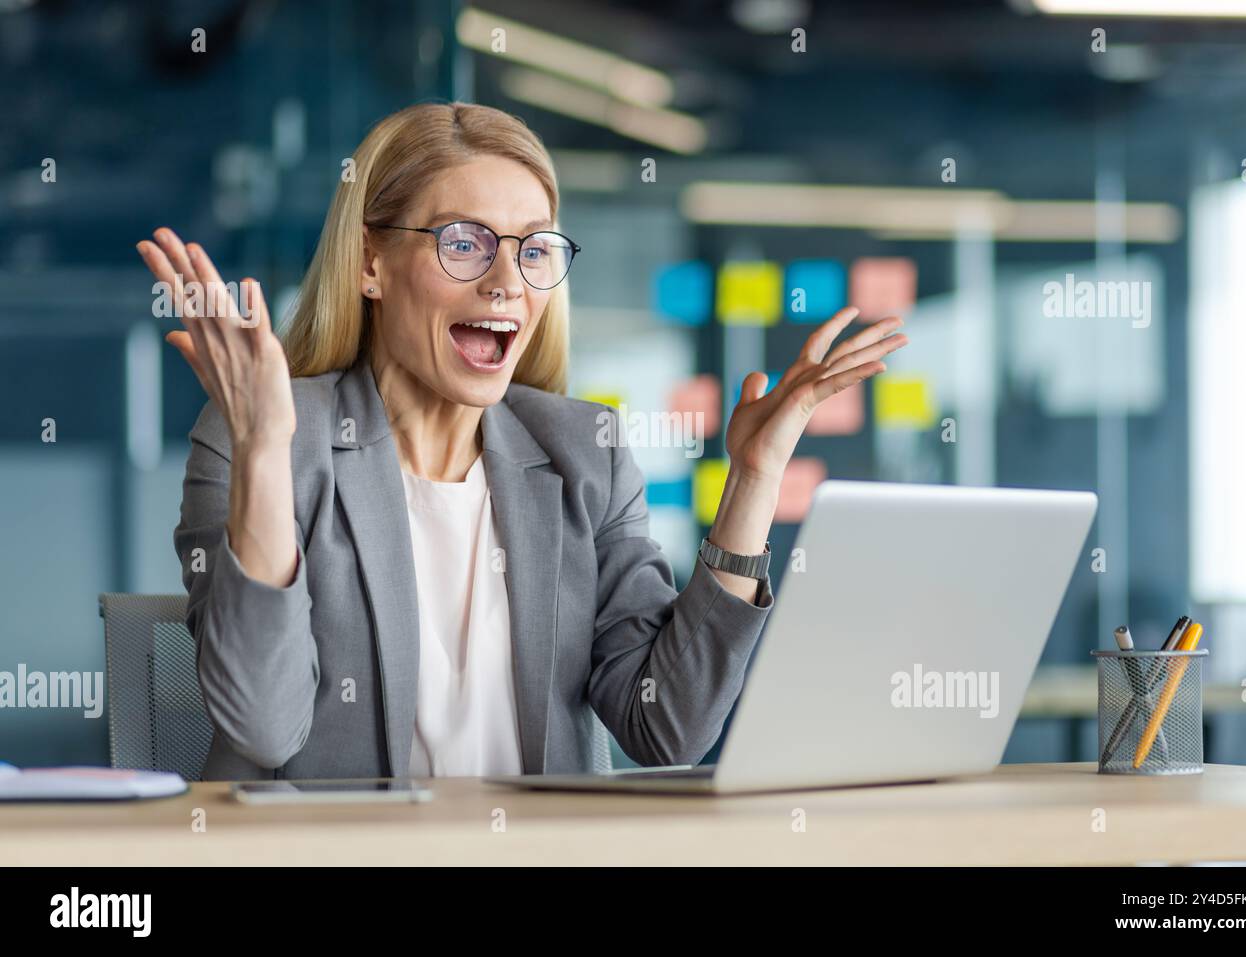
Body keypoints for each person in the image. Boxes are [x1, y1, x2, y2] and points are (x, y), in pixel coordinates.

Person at [136, 101, 908, 781]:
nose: (507, 281)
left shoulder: (586, 454)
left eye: (533, 249)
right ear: (371, 262)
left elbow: (666, 728)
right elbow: (265, 726)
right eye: (466, 242)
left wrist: (754, 479)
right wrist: (266, 446)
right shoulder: (263, 440)